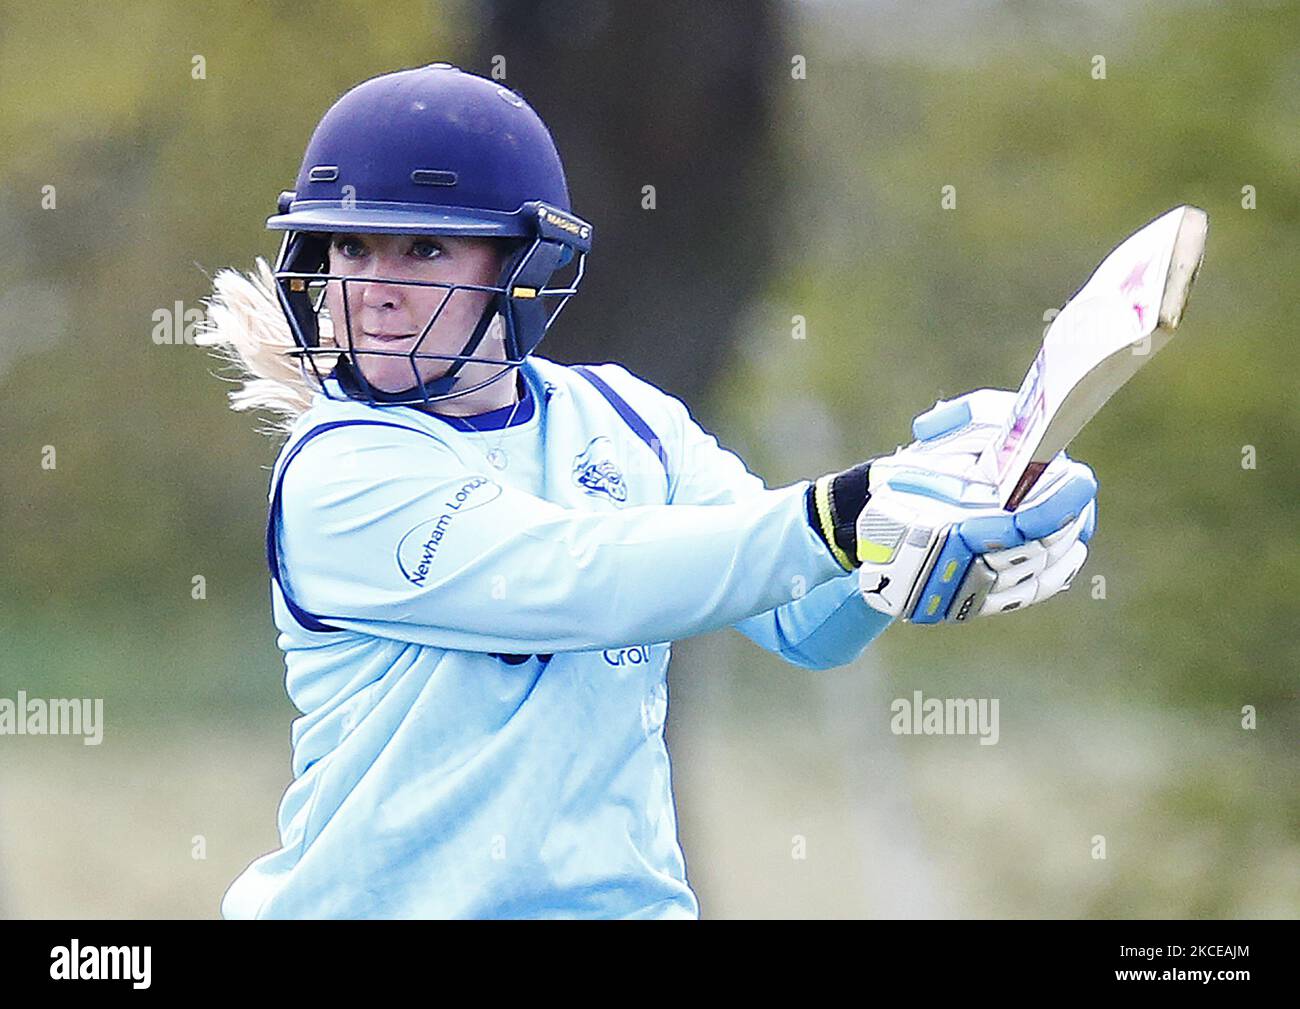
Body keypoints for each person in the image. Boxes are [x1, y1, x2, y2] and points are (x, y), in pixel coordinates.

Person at [204, 64, 1097, 919]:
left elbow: (799, 621)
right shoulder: (341, 467)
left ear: (522, 268)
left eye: (425, 248)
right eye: (353, 245)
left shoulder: (625, 417)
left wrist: (931, 519)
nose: (374, 288)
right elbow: (585, 580)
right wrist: (853, 507)